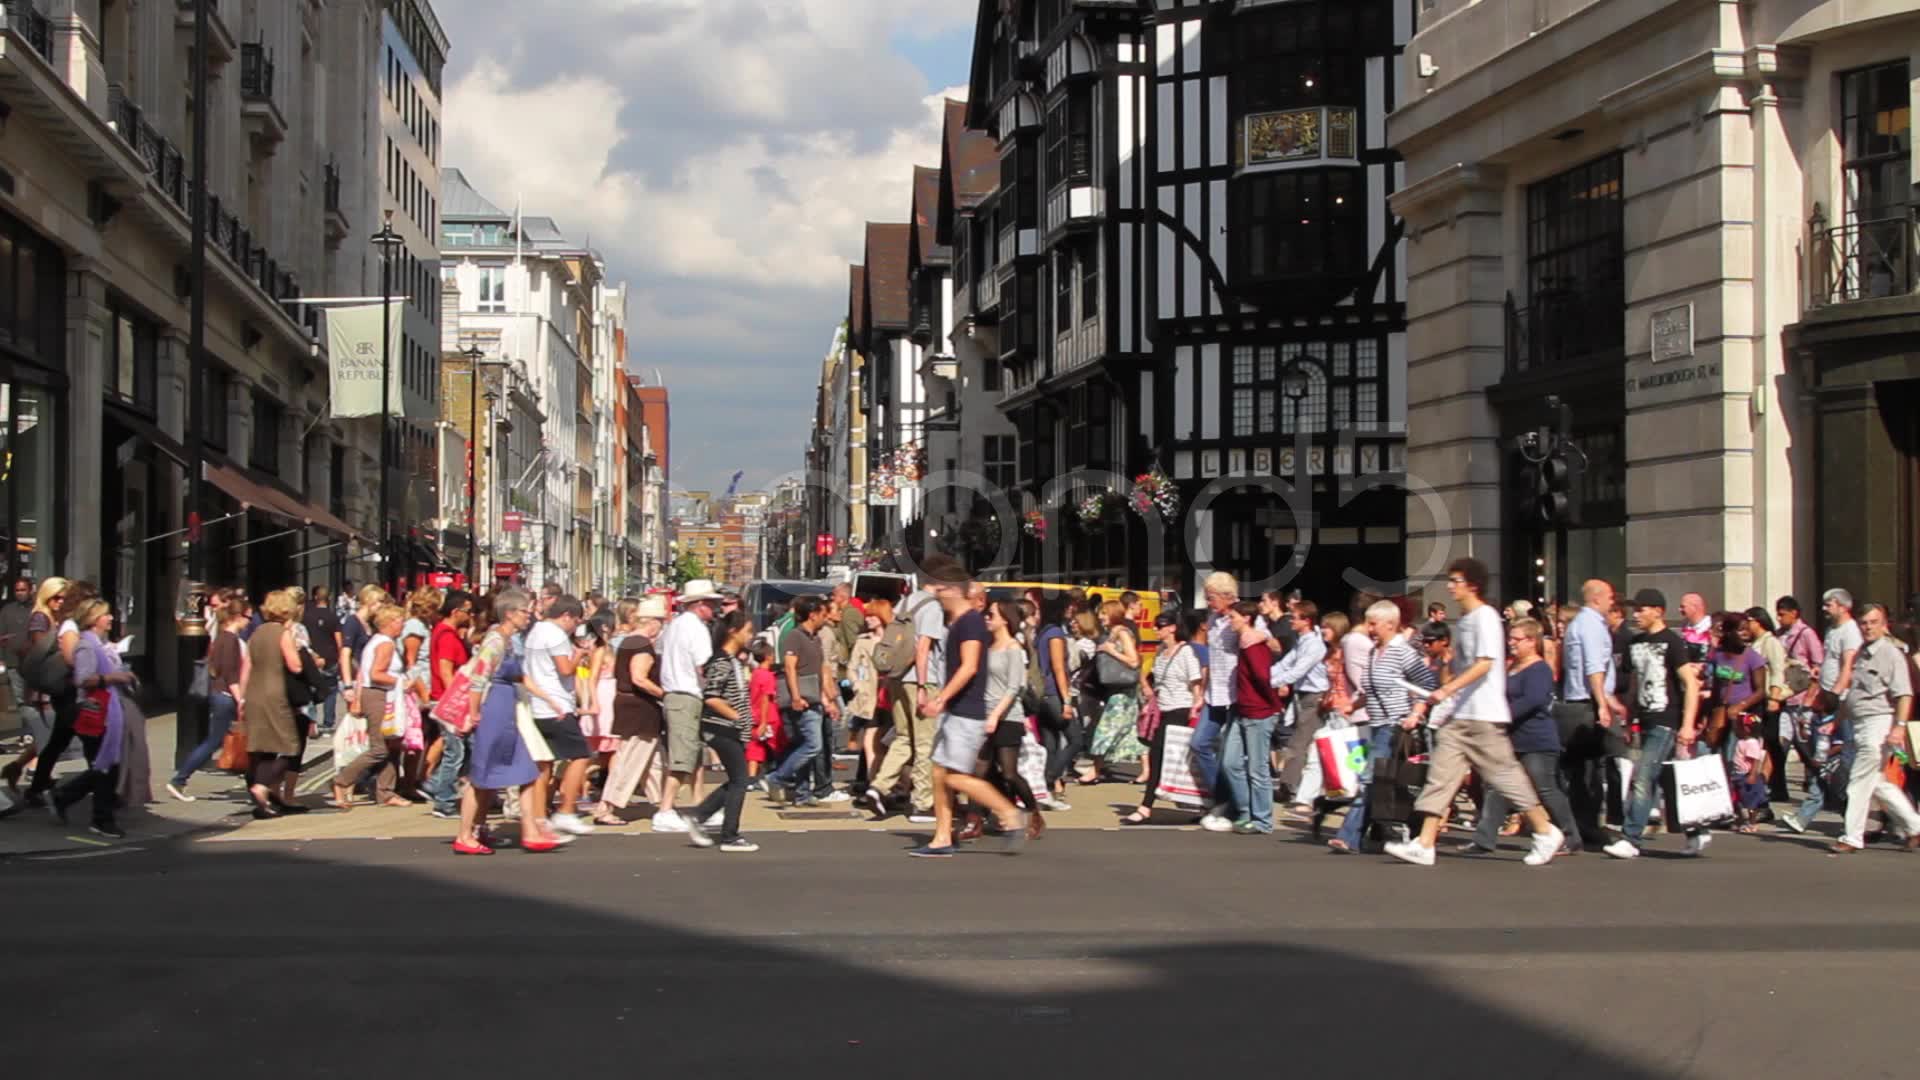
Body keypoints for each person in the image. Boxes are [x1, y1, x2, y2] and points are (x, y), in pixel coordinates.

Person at [1384, 559, 1565, 868]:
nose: (1450, 586)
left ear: (1473, 584)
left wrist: (1447, 690)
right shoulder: (1466, 621)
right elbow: (1463, 668)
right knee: (1441, 776)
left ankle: (1545, 830)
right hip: (1462, 714)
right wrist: (1447, 686)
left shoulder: (1486, 618)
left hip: (1484, 714)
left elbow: (1485, 663)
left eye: (1456, 580)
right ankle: (1424, 843)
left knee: (1504, 776)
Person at [907, 560, 1029, 857]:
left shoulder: (971, 622)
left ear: (951, 590)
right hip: (956, 710)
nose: (934, 595)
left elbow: (970, 666)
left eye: (938, 589)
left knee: (954, 777)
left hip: (966, 712)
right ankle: (941, 837)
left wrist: (940, 699)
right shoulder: (959, 622)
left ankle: (1009, 812)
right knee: (940, 774)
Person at [1460, 618, 1581, 855]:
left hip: (1536, 741)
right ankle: (1484, 839)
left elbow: (1533, 700)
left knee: (1545, 789)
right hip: (1512, 739)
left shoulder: (1539, 669)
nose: (1511, 643)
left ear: (1532, 641)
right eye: (1510, 638)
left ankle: (1571, 837)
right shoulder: (1511, 667)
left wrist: (1502, 715)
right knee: (1498, 788)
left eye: (1517, 639)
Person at [1606, 589, 1709, 859]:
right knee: (1667, 779)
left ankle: (1631, 838)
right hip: (1644, 719)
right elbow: (1633, 683)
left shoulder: (1673, 643)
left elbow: (1690, 684)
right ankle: (1696, 831)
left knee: (1642, 778)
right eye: (1635, 610)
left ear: (1658, 611)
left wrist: (1687, 724)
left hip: (1666, 719)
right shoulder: (1635, 643)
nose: (1636, 615)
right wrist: (1629, 718)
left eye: (1641, 610)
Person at [459, 589, 557, 854]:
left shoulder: (510, 641)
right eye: (525, 611)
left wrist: (550, 699)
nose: (529, 616)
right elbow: (478, 679)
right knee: (482, 777)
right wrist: (474, 713)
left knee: (526, 771)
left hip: (508, 710)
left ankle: (530, 832)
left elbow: (519, 677)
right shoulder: (495, 641)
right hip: (493, 711)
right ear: (510, 613)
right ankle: (465, 834)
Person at [1829, 603, 1920, 854]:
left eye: (1873, 622)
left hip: (1879, 723)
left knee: (1858, 781)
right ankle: (1915, 826)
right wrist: (1837, 720)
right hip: (1859, 724)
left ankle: (1852, 837)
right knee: (1877, 782)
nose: (1868, 627)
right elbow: (1853, 693)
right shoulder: (1861, 652)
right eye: (1864, 623)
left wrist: (1899, 727)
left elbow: (1904, 694)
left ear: (1884, 624)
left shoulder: (1891, 654)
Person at [47, 600, 136, 837]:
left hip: (109, 711)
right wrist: (114, 678)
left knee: (106, 766)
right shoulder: (86, 645)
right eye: (106, 615)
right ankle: (101, 819)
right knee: (105, 767)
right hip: (95, 713)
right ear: (94, 619)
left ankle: (64, 797)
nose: (111, 618)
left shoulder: (102, 644)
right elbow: (83, 679)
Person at [868, 571, 949, 823]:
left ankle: (879, 786)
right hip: (921, 679)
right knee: (925, 743)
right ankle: (922, 803)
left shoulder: (905, 602)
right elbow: (922, 648)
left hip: (897, 677)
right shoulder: (932, 607)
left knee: (904, 737)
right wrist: (923, 685)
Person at [682, 611, 761, 853]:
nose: (751, 636)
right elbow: (712, 697)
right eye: (748, 631)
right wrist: (736, 716)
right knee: (740, 780)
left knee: (737, 779)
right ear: (733, 632)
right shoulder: (721, 662)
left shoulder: (732, 660)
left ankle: (700, 815)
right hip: (721, 728)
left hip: (729, 729)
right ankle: (729, 836)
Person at [166, 593, 252, 802]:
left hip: (220, 695)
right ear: (238, 616)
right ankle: (179, 780)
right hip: (225, 697)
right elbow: (230, 675)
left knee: (224, 741)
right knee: (213, 742)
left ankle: (256, 785)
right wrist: (241, 700)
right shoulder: (230, 640)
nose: (250, 622)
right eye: (248, 617)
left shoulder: (222, 637)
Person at [653, 580, 722, 832]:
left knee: (694, 754)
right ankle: (665, 810)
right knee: (683, 757)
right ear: (700, 604)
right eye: (712, 603)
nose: (715, 608)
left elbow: (660, 651)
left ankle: (700, 805)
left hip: (676, 693)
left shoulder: (674, 625)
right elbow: (704, 665)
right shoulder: (696, 628)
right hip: (687, 693)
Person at [1555, 579, 1620, 850]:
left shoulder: (1579, 624)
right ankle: (1585, 827)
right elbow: (1594, 667)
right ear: (1596, 598)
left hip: (1579, 700)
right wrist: (1603, 703)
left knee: (1582, 769)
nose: (1612, 602)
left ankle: (1582, 827)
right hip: (1586, 703)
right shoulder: (1591, 625)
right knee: (1591, 769)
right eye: (1610, 596)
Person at [1121, 612, 1203, 824]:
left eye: (1161, 625)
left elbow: (1195, 682)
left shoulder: (1186, 652)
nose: (1156, 629)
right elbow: (1156, 681)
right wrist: (1149, 698)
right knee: (1170, 758)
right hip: (1162, 710)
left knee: (1159, 755)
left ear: (1173, 628)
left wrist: (1196, 705)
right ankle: (1200, 803)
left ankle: (1146, 806)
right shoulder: (1160, 653)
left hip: (1180, 709)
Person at [523, 595, 594, 837]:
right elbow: (565, 669)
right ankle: (565, 810)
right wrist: (579, 655)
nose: (575, 627)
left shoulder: (535, 632)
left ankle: (539, 817)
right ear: (566, 616)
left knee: (543, 765)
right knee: (581, 755)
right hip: (557, 705)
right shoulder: (556, 635)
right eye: (576, 621)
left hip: (537, 704)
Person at [332, 603, 411, 811]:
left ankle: (386, 792)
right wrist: (402, 681)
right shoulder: (386, 644)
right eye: (400, 621)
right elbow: (376, 674)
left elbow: (362, 673)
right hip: (378, 696)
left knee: (391, 746)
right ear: (390, 622)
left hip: (374, 695)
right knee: (379, 749)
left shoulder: (376, 641)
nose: (403, 625)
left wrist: (358, 698)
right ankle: (341, 781)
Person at [762, 595, 837, 805]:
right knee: (813, 745)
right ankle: (777, 777)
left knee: (803, 744)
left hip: (814, 696)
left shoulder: (815, 638)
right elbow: (790, 667)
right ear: (812, 615)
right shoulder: (795, 636)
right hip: (802, 698)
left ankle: (802, 793)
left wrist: (827, 699)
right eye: (823, 614)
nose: (826, 618)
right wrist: (795, 696)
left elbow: (821, 670)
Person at [241, 590, 309, 820]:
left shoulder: (256, 633)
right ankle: (262, 786)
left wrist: (242, 698)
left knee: (264, 748)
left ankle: (262, 802)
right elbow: (295, 666)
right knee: (291, 746)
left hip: (253, 693)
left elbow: (246, 667)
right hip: (274, 694)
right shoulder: (283, 633)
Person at [1219, 601, 1282, 835]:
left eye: (1233, 616)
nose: (1230, 621)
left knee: (1258, 769)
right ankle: (1246, 811)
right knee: (1230, 762)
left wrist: (1273, 705)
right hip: (1242, 709)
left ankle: (1262, 820)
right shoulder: (1246, 641)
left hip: (1258, 712)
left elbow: (1263, 677)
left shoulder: (1254, 645)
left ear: (1246, 618)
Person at [983, 600, 1045, 836]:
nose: (986, 618)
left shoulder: (1013, 648)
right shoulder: (988, 646)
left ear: (1005, 620)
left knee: (1009, 772)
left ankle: (1033, 812)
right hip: (985, 715)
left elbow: (1014, 687)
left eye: (991, 615)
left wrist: (995, 715)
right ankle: (1003, 811)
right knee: (984, 770)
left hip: (1008, 717)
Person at [1197, 573, 1251, 831]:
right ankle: (1221, 795)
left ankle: (1230, 804)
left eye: (1212, 597)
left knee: (1229, 755)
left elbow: (1261, 643)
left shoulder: (1241, 616)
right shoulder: (1213, 619)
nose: (1208, 602)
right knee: (1199, 743)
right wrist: (1201, 691)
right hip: (1214, 693)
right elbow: (1211, 657)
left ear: (1227, 596)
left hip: (1234, 694)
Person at [608, 596, 669, 809]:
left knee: (654, 762)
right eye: (660, 622)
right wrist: (664, 695)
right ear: (652, 622)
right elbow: (639, 678)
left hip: (631, 705)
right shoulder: (641, 644)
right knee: (631, 761)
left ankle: (662, 803)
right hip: (639, 709)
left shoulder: (628, 641)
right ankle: (607, 806)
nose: (661, 627)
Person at [1270, 600, 1330, 811]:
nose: (1291, 621)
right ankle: (1296, 786)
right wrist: (1263, 676)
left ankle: (1289, 787)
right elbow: (1285, 663)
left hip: (1314, 697)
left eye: (1294, 617)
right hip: (1302, 696)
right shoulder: (1302, 641)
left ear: (1307, 620)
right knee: (1303, 743)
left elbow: (1297, 671)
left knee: (1298, 743)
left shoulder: (1314, 645)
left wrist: (1269, 683)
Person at [422, 590, 475, 819]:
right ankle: (443, 801)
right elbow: (446, 672)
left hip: (447, 699)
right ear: (455, 612)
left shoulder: (448, 633)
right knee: (455, 752)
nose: (471, 615)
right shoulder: (446, 636)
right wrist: (457, 702)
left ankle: (435, 785)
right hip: (448, 701)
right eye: (468, 611)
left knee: (468, 748)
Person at [1085, 599, 1145, 782]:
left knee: (1104, 729)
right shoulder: (1110, 633)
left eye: (1104, 613)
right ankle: (1147, 770)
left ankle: (1095, 769)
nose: (1100, 617)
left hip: (1123, 692)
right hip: (1117, 689)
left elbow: (1134, 661)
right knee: (1130, 730)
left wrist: (1111, 651)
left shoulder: (1122, 633)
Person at [1743, 606, 1792, 803]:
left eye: (1749, 621)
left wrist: (1775, 697)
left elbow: (1778, 670)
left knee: (1771, 742)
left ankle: (1777, 785)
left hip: (1770, 698)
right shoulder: (1754, 643)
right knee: (1767, 742)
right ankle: (1772, 784)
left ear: (1758, 622)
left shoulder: (1770, 642)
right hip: (1758, 698)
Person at [1704, 612, 1767, 753]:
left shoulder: (1753, 657)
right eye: (1741, 630)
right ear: (1729, 632)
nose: (1746, 633)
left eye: (1747, 629)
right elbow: (1715, 687)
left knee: (1733, 755)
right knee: (1714, 752)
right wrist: (1707, 714)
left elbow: (1761, 691)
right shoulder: (1718, 655)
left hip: (1742, 717)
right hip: (1721, 713)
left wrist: (1741, 706)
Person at [301, 585, 345, 735]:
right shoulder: (333, 617)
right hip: (330, 658)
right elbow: (339, 640)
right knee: (331, 691)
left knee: (310, 689)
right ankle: (328, 722)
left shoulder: (306, 616)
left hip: (312, 658)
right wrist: (341, 657)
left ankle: (311, 722)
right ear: (329, 598)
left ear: (315, 597)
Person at [1729, 713, 1769, 832]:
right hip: (1738, 775)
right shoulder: (1742, 741)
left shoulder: (1752, 743)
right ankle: (1740, 820)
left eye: (1738, 727)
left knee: (1751, 802)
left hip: (1746, 776)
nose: (1735, 729)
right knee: (1737, 799)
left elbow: (1756, 760)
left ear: (1746, 729)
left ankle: (1752, 823)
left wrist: (1752, 774)